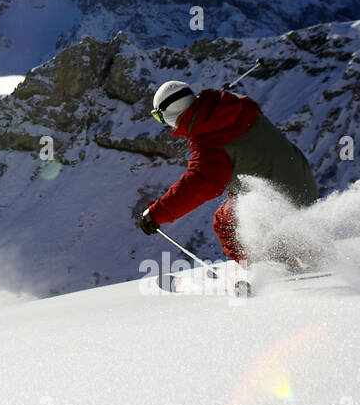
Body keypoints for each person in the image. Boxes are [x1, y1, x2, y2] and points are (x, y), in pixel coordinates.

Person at [135, 80, 319, 268]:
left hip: (280, 202)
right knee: (235, 212)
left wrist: (158, 213)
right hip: (304, 180)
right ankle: (306, 257)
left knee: (226, 225)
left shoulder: (208, 140)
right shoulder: (238, 106)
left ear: (171, 116)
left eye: (160, 118)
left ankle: (269, 271)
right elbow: (249, 153)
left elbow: (203, 183)